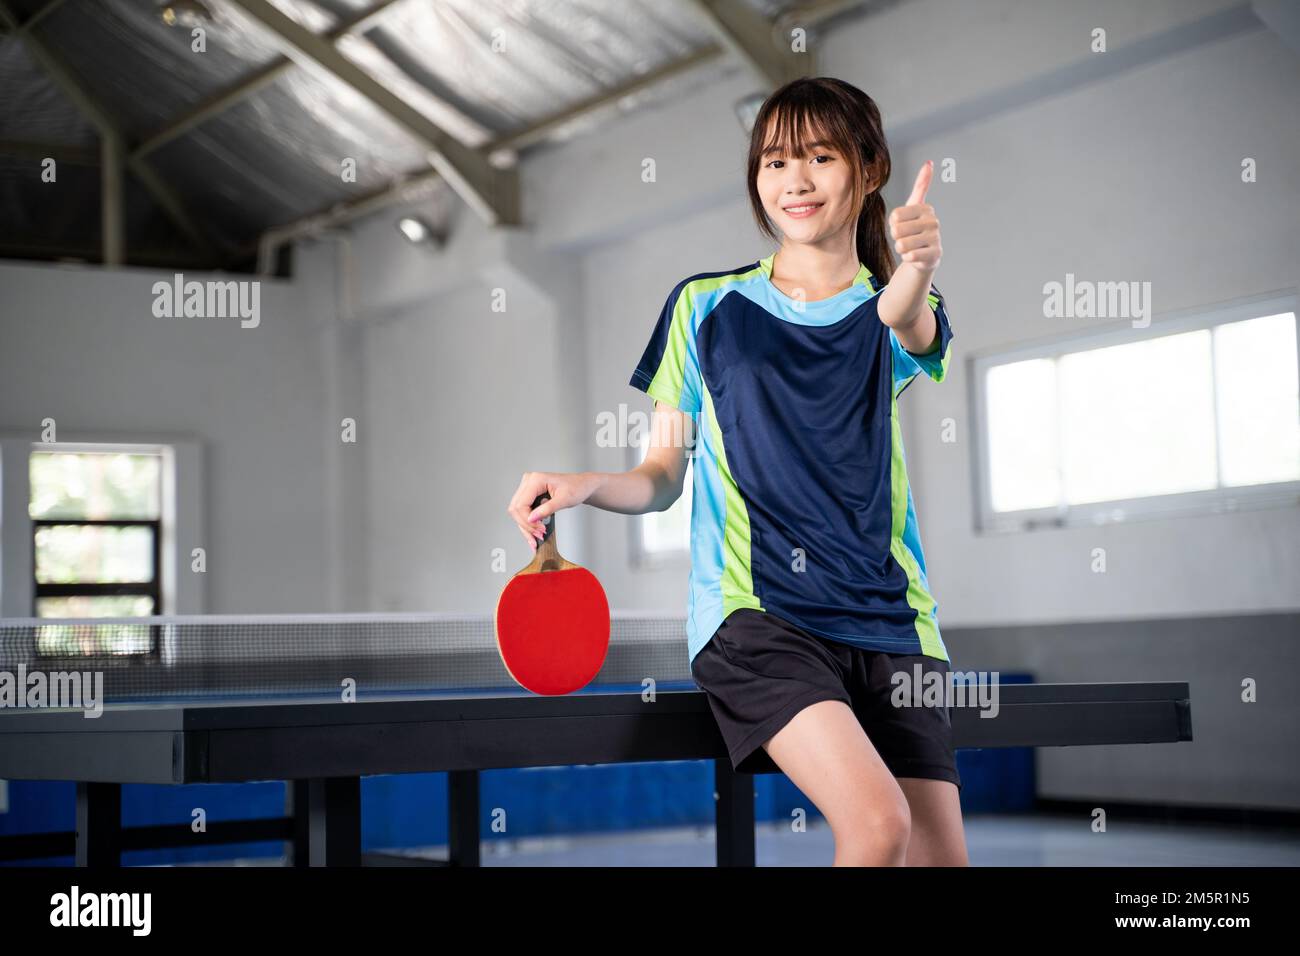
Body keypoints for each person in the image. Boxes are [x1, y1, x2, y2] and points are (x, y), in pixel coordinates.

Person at [506, 76, 968, 866]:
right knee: (878, 826)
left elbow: (908, 324)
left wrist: (916, 270)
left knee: (938, 861)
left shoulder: (894, 304)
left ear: (870, 167)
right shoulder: (706, 307)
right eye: (775, 161)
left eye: (821, 157)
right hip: (758, 618)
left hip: (892, 618)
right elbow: (661, 475)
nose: (794, 180)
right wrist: (585, 485)